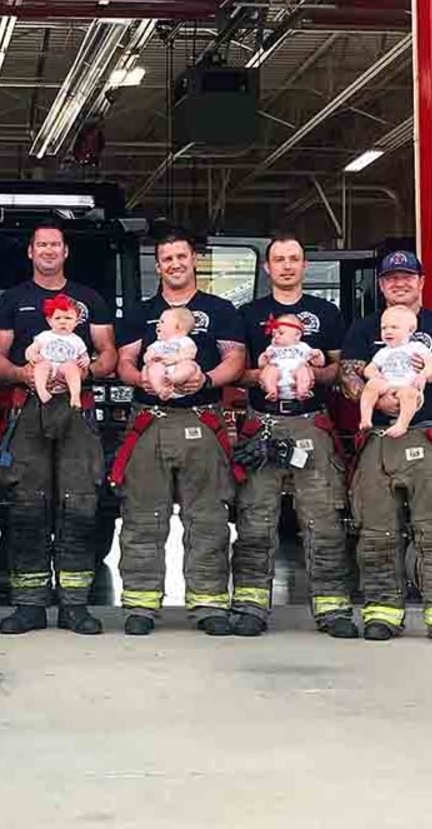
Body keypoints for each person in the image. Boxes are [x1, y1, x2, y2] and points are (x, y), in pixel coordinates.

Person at [340, 250, 432, 644]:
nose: (399, 284)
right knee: (376, 530)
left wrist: (428, 383)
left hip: (428, 434)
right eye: (390, 279)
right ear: (382, 285)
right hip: (378, 440)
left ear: (421, 281)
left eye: (407, 277)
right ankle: (383, 612)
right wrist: (377, 399)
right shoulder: (365, 327)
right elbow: (349, 376)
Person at [112, 232, 247, 637]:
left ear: (194, 260)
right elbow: (124, 362)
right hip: (150, 419)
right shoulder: (141, 312)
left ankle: (208, 604)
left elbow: (235, 359)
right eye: (166, 258)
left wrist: (205, 378)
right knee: (142, 515)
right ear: (158, 264)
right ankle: (140, 604)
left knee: (207, 516)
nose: (174, 263)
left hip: (202, 419)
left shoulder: (219, 309)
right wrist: (144, 381)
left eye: (181, 256)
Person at [0, 225, 117, 635]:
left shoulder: (90, 299)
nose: (48, 251)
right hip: (29, 408)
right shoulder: (13, 300)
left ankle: (75, 606)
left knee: (79, 504)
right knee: (28, 504)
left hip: (77, 412)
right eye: (41, 244)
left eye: (55, 245)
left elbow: (108, 354)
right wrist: (24, 374)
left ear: (66, 251)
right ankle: (28, 606)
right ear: (30, 251)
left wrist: (87, 369)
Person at [233, 235, 352, 637]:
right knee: (254, 516)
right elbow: (237, 370)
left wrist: (308, 373)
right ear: (266, 268)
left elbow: (340, 370)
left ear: (305, 266)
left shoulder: (327, 312)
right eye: (279, 259)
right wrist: (267, 375)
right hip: (262, 422)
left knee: (323, 518)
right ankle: (250, 605)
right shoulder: (249, 314)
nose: (287, 266)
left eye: (294, 259)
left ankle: (332, 608)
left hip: (310, 423)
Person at [358, 304, 432, 438]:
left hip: (409, 389)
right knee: (371, 385)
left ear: (411, 330)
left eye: (394, 327)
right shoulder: (383, 352)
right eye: (384, 328)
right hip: (387, 388)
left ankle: (402, 425)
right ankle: (366, 418)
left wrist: (423, 375)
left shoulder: (416, 347)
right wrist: (376, 376)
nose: (388, 331)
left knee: (408, 393)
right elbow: (369, 369)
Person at [26, 294, 90, 408]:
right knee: (42, 365)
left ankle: (75, 396)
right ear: (49, 321)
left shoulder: (77, 340)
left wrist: (85, 360)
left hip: (64, 376)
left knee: (71, 366)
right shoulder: (44, 336)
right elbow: (31, 349)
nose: (63, 322)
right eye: (58, 318)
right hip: (48, 371)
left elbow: (84, 355)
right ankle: (41, 391)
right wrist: (32, 355)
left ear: (76, 321)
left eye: (68, 318)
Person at [256, 314, 324, 402]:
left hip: (295, 374)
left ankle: (302, 391)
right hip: (278, 376)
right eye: (273, 334)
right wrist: (264, 357)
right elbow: (262, 365)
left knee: (303, 371)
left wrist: (318, 355)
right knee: (270, 370)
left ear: (297, 335)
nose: (276, 336)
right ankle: (271, 391)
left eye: (281, 333)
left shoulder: (303, 347)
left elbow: (319, 364)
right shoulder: (271, 348)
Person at [141, 307, 201, 400]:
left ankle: (174, 379)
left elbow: (190, 353)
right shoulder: (158, 343)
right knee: (152, 368)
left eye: (162, 322)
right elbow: (147, 355)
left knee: (189, 365)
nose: (158, 324)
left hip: (179, 374)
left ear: (178, 326)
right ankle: (161, 390)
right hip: (161, 374)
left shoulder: (184, 341)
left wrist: (175, 358)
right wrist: (151, 358)